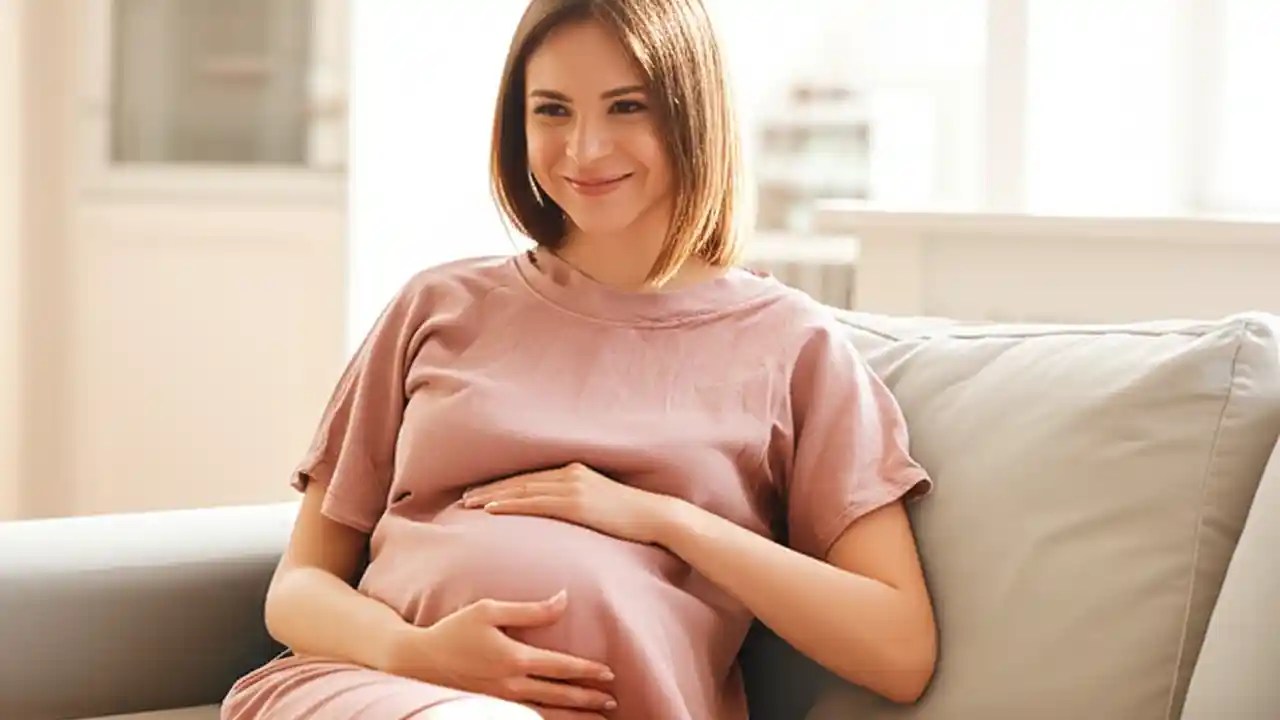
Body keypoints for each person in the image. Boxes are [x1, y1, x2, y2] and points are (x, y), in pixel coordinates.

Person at [221, 0, 936, 718]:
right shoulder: (437, 306)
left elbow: (898, 650)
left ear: (693, 114)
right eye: (552, 111)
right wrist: (416, 653)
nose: (585, 149)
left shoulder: (792, 346)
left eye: (626, 107)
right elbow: (300, 586)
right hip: (375, 690)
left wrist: (663, 518)